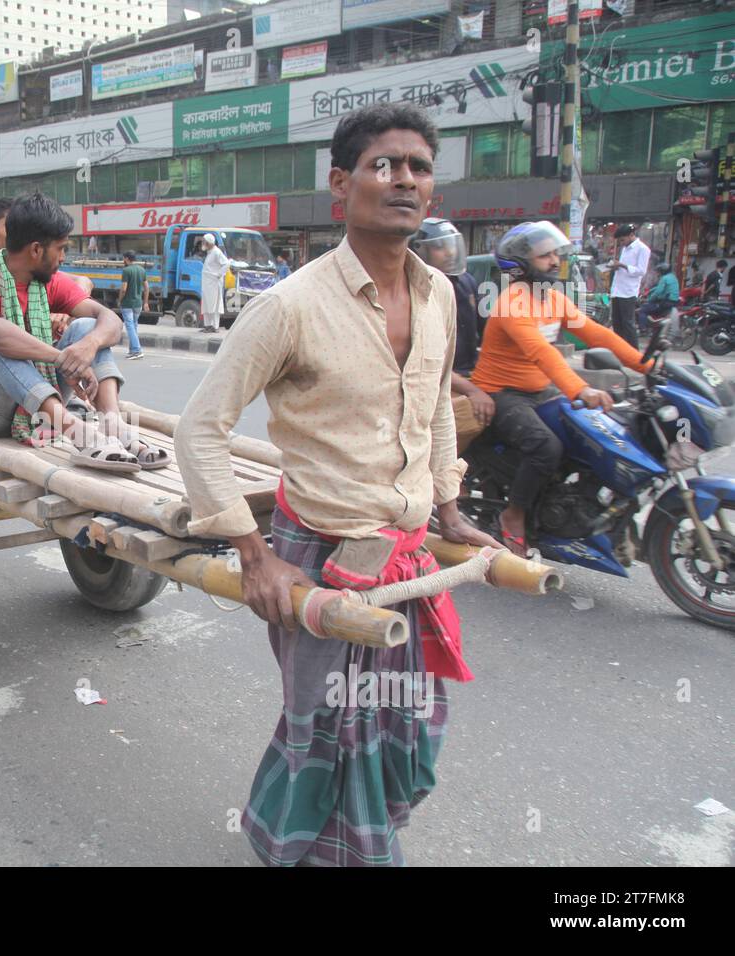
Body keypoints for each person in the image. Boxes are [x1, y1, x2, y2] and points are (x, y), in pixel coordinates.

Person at [174, 103, 499, 867]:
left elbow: (435, 412)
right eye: (386, 165)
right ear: (340, 185)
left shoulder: (441, 295)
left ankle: (282, 829)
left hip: (409, 559)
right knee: (327, 731)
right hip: (319, 556)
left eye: (420, 167)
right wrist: (255, 556)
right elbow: (200, 430)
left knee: (407, 733)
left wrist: (448, 506)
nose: (405, 180)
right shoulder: (288, 306)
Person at [0, 191, 170, 471]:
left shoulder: (48, 283)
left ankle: (113, 425)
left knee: (87, 326)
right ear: (36, 250)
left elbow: (109, 320)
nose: (63, 257)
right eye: (61, 248)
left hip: (41, 404)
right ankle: (81, 434)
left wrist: (87, 346)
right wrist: (62, 357)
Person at [470, 221, 651, 556]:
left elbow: (599, 335)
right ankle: (514, 515)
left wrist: (649, 366)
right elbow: (542, 353)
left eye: (555, 253)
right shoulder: (513, 303)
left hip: (540, 391)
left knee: (594, 435)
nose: (554, 261)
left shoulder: (552, 299)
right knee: (546, 447)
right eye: (545, 256)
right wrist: (580, 390)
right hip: (502, 392)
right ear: (521, 263)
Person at [409, 217, 493, 428]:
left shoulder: (467, 282)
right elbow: (424, 360)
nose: (450, 253)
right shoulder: (413, 290)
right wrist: (472, 391)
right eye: (440, 247)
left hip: (472, 373)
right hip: (438, 381)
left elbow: (486, 333)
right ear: (420, 251)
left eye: (452, 246)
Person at [605, 223, 649, 349]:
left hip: (628, 292)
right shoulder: (625, 248)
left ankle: (634, 352)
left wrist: (622, 265)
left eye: (622, 240)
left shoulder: (642, 249)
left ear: (631, 235)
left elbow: (641, 271)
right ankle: (621, 350)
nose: (621, 243)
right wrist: (615, 266)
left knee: (628, 323)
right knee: (617, 323)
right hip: (617, 289)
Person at [118, 250, 148, 360]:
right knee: (134, 326)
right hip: (138, 304)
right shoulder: (141, 270)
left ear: (126, 258)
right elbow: (146, 288)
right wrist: (145, 302)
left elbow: (124, 289)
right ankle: (132, 351)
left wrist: (119, 299)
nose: (123, 260)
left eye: (123, 258)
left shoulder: (126, 270)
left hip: (127, 303)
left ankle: (136, 350)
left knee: (130, 326)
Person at [199, 233, 231, 333]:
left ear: (208, 243)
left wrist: (218, 274)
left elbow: (226, 264)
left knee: (213, 305)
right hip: (207, 284)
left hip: (213, 283)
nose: (203, 243)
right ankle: (208, 325)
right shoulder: (209, 252)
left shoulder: (217, 252)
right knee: (207, 304)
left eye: (204, 242)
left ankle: (214, 326)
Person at [636, 261, 679, 332]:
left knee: (642, 310)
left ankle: (643, 329)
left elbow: (658, 292)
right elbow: (658, 288)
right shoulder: (673, 277)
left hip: (665, 302)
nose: (658, 273)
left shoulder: (664, 278)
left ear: (662, 271)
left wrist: (649, 299)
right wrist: (650, 291)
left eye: (659, 271)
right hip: (673, 302)